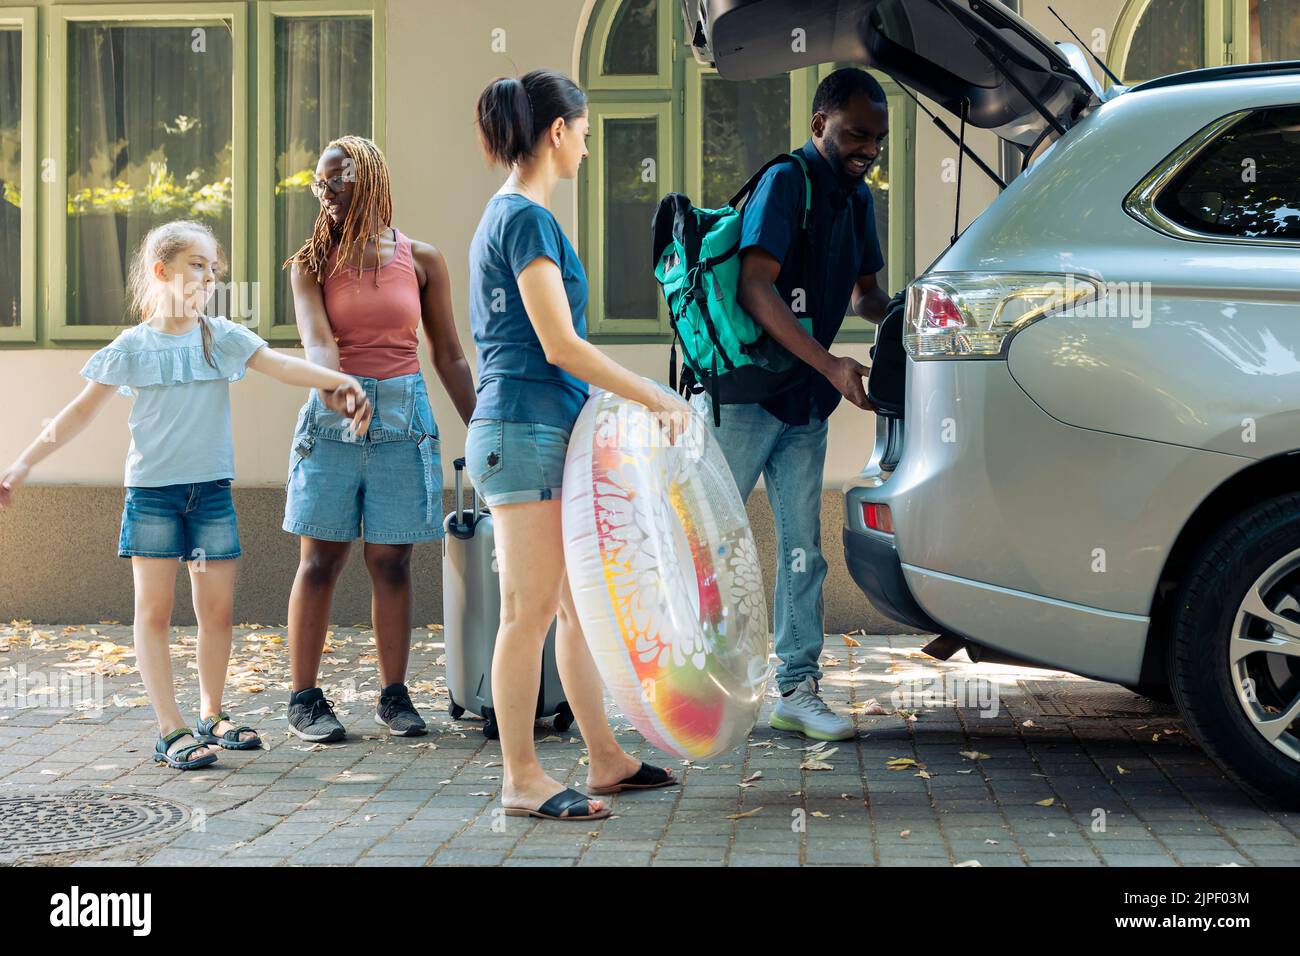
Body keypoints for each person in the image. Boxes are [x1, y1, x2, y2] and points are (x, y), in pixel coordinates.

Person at [0, 219, 371, 769]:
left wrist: (335, 381)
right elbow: (77, 413)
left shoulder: (220, 337)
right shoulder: (133, 347)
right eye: (197, 264)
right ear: (162, 271)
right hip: (152, 497)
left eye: (213, 267)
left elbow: (277, 364)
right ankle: (169, 729)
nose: (208, 275)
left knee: (215, 612)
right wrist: (20, 465)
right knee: (153, 612)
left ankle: (211, 715)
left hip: (210, 495)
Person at [465, 69, 690, 820]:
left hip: (535, 428)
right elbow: (559, 344)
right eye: (585, 135)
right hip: (523, 430)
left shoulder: (512, 216)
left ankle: (604, 758)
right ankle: (521, 778)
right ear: (557, 132)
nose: (588, 152)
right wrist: (652, 393)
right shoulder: (524, 218)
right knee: (528, 611)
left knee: (568, 608)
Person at [699, 67, 892, 741]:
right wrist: (832, 363)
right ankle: (694, 685)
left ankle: (796, 688)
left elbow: (867, 297)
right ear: (819, 126)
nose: (868, 149)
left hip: (806, 403)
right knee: (710, 543)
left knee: (803, 550)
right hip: (746, 397)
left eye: (877, 139)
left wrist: (914, 311)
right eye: (855, 134)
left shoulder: (858, 200)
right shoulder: (788, 182)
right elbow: (757, 288)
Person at [281, 135, 477, 742]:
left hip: (403, 415)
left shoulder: (421, 259)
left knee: (391, 561)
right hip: (333, 415)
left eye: (336, 180)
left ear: (369, 179)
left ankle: (394, 696)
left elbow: (447, 352)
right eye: (320, 183)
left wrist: (485, 428)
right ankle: (305, 699)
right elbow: (317, 343)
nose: (327, 192)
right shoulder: (310, 263)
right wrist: (335, 386)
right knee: (321, 561)